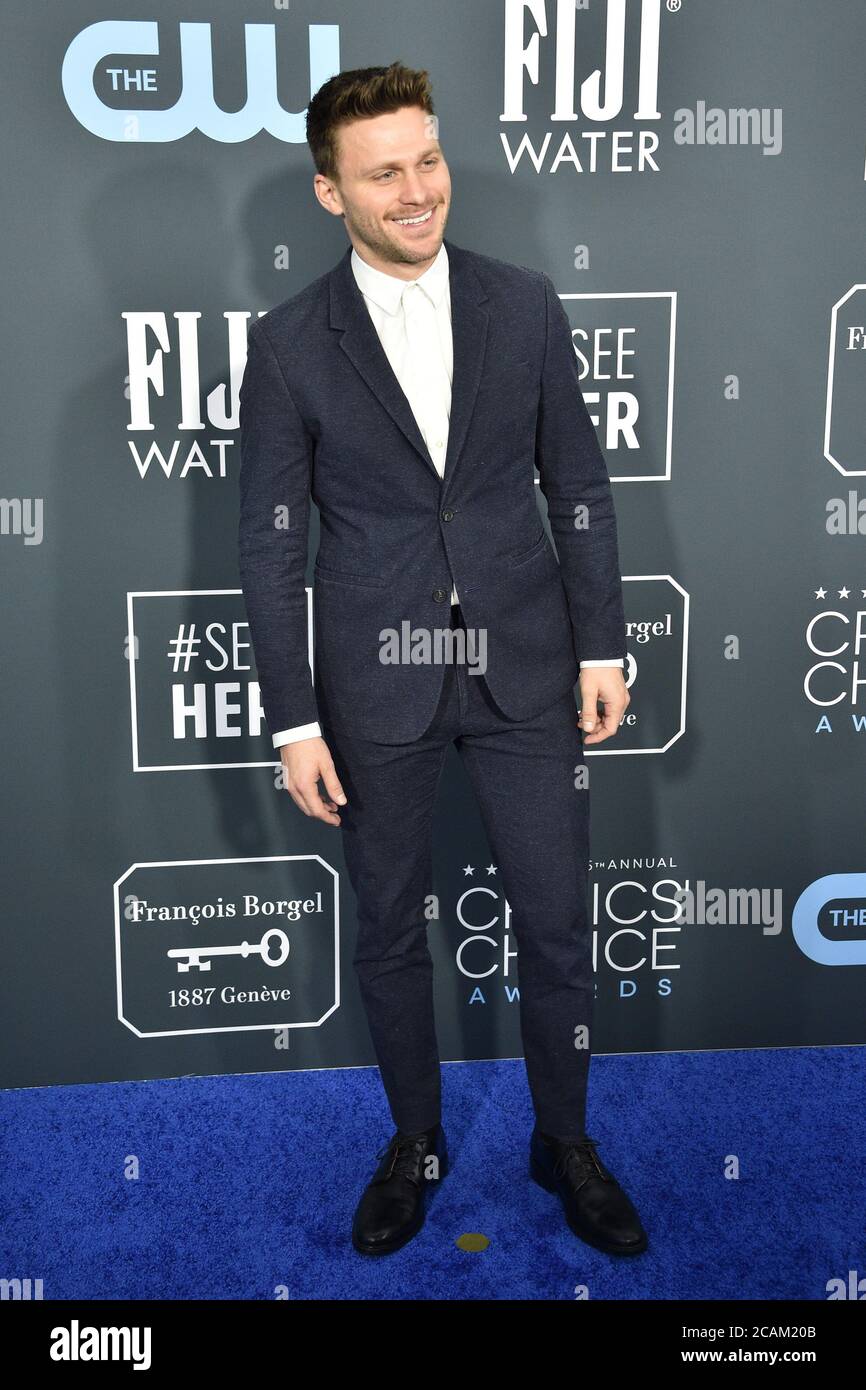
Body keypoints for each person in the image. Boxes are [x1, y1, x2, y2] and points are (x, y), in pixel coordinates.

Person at [238, 61, 647, 1258]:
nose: (416, 192)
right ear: (329, 194)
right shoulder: (286, 344)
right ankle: (414, 1143)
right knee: (385, 929)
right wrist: (293, 720)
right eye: (382, 174)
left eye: (427, 160)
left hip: (524, 663)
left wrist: (602, 641)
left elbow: (576, 485)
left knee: (559, 922)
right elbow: (269, 549)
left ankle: (561, 1139)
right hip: (374, 681)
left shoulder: (522, 301)